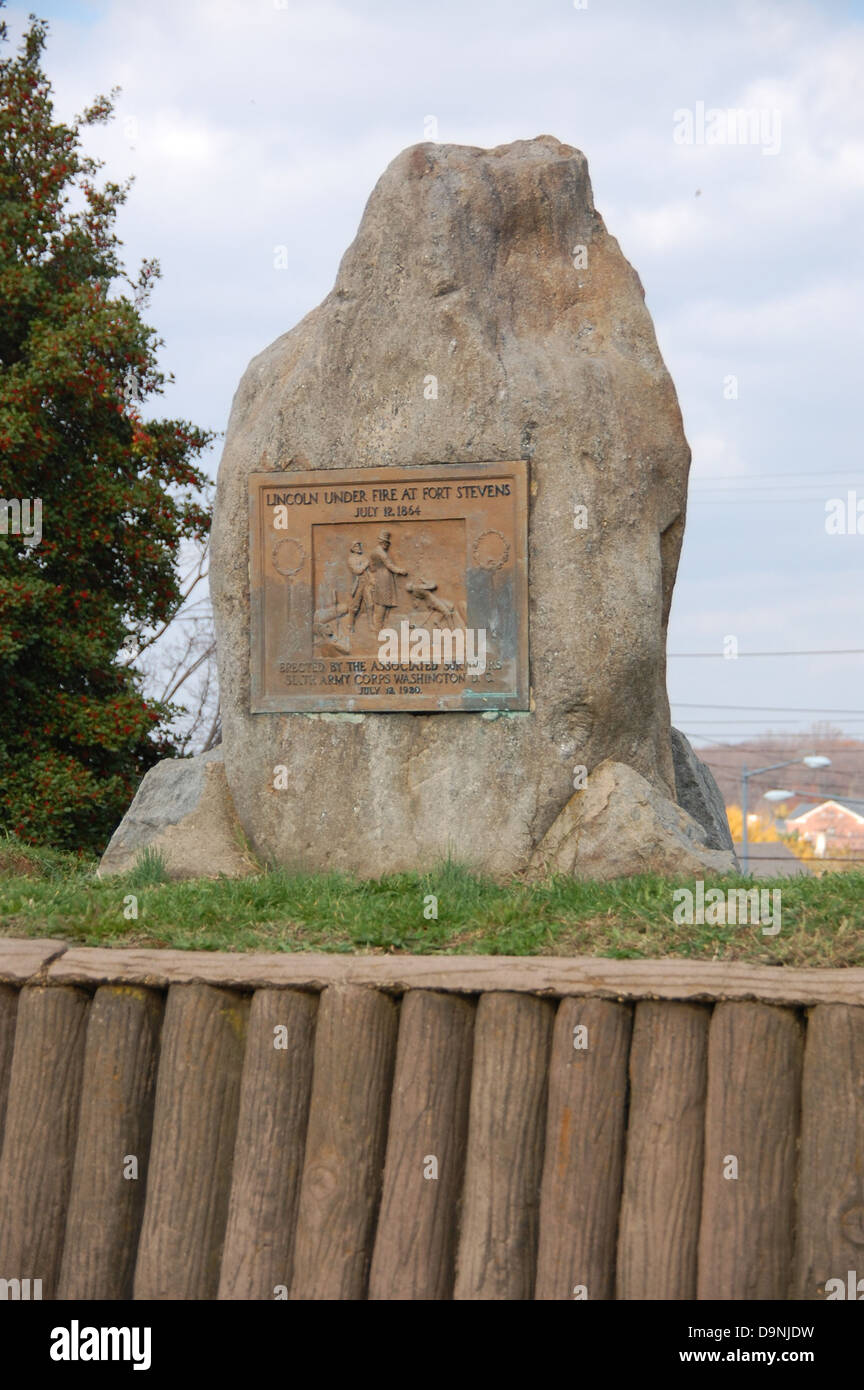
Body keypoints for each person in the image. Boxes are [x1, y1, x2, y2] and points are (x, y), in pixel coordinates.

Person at [369, 530, 407, 632]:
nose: (387, 545)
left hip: (384, 578)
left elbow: (373, 566)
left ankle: (383, 625)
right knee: (382, 603)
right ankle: (378, 627)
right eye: (386, 542)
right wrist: (401, 571)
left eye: (388, 543)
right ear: (382, 542)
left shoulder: (377, 551)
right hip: (383, 579)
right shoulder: (380, 553)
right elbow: (389, 565)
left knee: (387, 602)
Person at [347, 540, 373, 632]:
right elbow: (357, 571)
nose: (358, 548)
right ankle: (350, 625)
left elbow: (369, 570)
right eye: (356, 546)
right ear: (353, 548)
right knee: (355, 606)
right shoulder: (351, 559)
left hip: (366, 583)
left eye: (359, 546)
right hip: (358, 585)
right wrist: (365, 564)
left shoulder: (363, 557)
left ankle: (371, 625)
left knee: (370, 604)